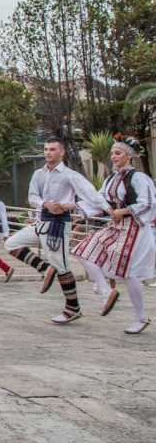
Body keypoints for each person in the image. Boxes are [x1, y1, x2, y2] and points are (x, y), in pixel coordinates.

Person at [4, 137, 108, 324]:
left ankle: (72, 307)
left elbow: (92, 196)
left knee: (62, 267)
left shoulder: (70, 175)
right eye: (45, 149)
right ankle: (44, 268)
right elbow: (32, 196)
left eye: (52, 149)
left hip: (59, 223)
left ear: (62, 152)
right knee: (11, 243)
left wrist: (70, 206)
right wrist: (46, 204)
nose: (47, 152)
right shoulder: (39, 174)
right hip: (43, 219)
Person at [72, 136, 154, 334]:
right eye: (112, 153)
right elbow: (98, 200)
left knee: (128, 272)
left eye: (118, 153)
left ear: (130, 155)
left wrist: (122, 212)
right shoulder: (110, 180)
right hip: (115, 224)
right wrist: (73, 210)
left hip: (133, 226)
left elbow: (148, 202)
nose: (114, 157)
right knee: (82, 250)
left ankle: (140, 316)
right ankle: (106, 291)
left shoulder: (139, 178)